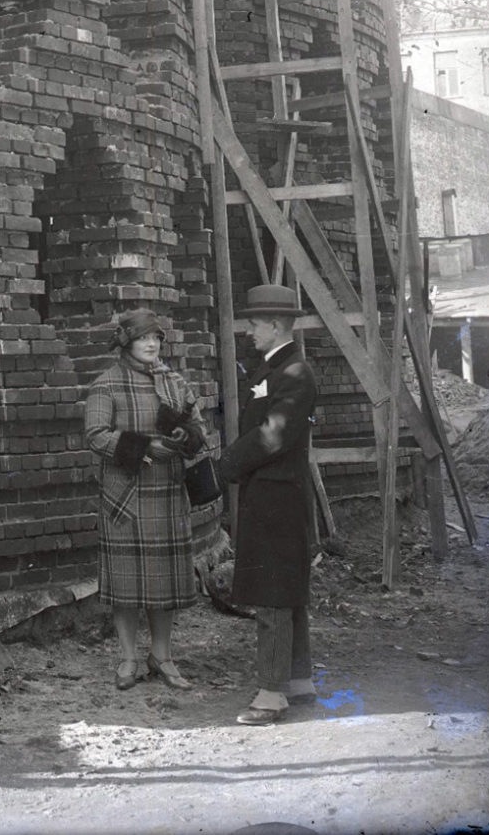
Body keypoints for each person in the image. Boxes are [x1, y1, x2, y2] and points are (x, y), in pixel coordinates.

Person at [84, 308, 207, 689]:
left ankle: (162, 656)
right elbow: (95, 435)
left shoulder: (175, 382)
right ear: (126, 343)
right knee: (127, 584)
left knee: (163, 582)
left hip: (168, 492)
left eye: (156, 338)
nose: (152, 344)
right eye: (143, 338)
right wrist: (143, 447)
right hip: (124, 496)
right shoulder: (107, 384)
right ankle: (127, 659)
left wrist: (186, 438)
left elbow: (199, 426)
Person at [216, 283, 318, 725]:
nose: (249, 332)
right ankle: (298, 679)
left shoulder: (294, 372)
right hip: (271, 491)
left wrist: (227, 465)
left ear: (276, 325)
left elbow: (273, 435)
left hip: (278, 494)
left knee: (274, 590)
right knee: (285, 586)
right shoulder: (275, 368)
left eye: (254, 324)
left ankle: (271, 694)